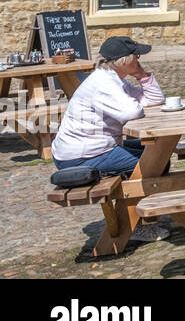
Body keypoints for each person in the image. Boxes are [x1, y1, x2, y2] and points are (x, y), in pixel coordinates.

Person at [51, 36, 170, 242]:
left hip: (98, 148)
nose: (139, 59)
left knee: (159, 156)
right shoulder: (104, 83)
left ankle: (142, 218)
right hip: (81, 156)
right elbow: (130, 112)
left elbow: (154, 99)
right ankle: (138, 225)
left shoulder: (113, 80)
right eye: (137, 56)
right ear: (124, 61)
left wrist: (142, 75)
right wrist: (135, 101)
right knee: (152, 166)